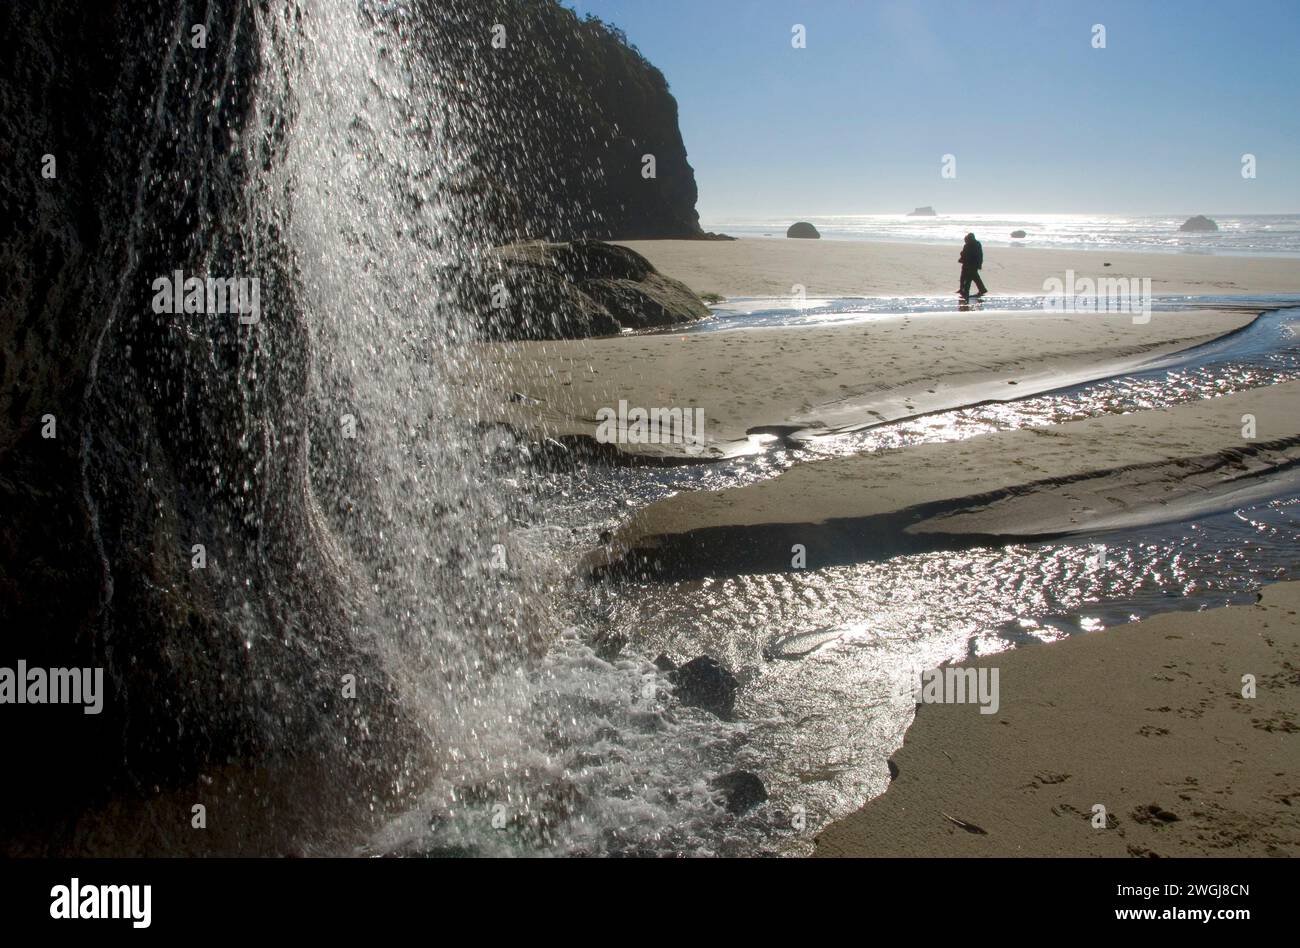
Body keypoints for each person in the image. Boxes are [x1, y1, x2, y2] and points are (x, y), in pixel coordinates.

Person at [958, 232, 988, 300]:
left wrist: (962, 256)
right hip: (973, 263)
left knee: (968, 278)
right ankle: (982, 289)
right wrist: (979, 264)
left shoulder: (970, 245)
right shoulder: (976, 243)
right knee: (974, 277)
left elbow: (967, 254)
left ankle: (965, 292)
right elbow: (980, 255)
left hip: (970, 264)